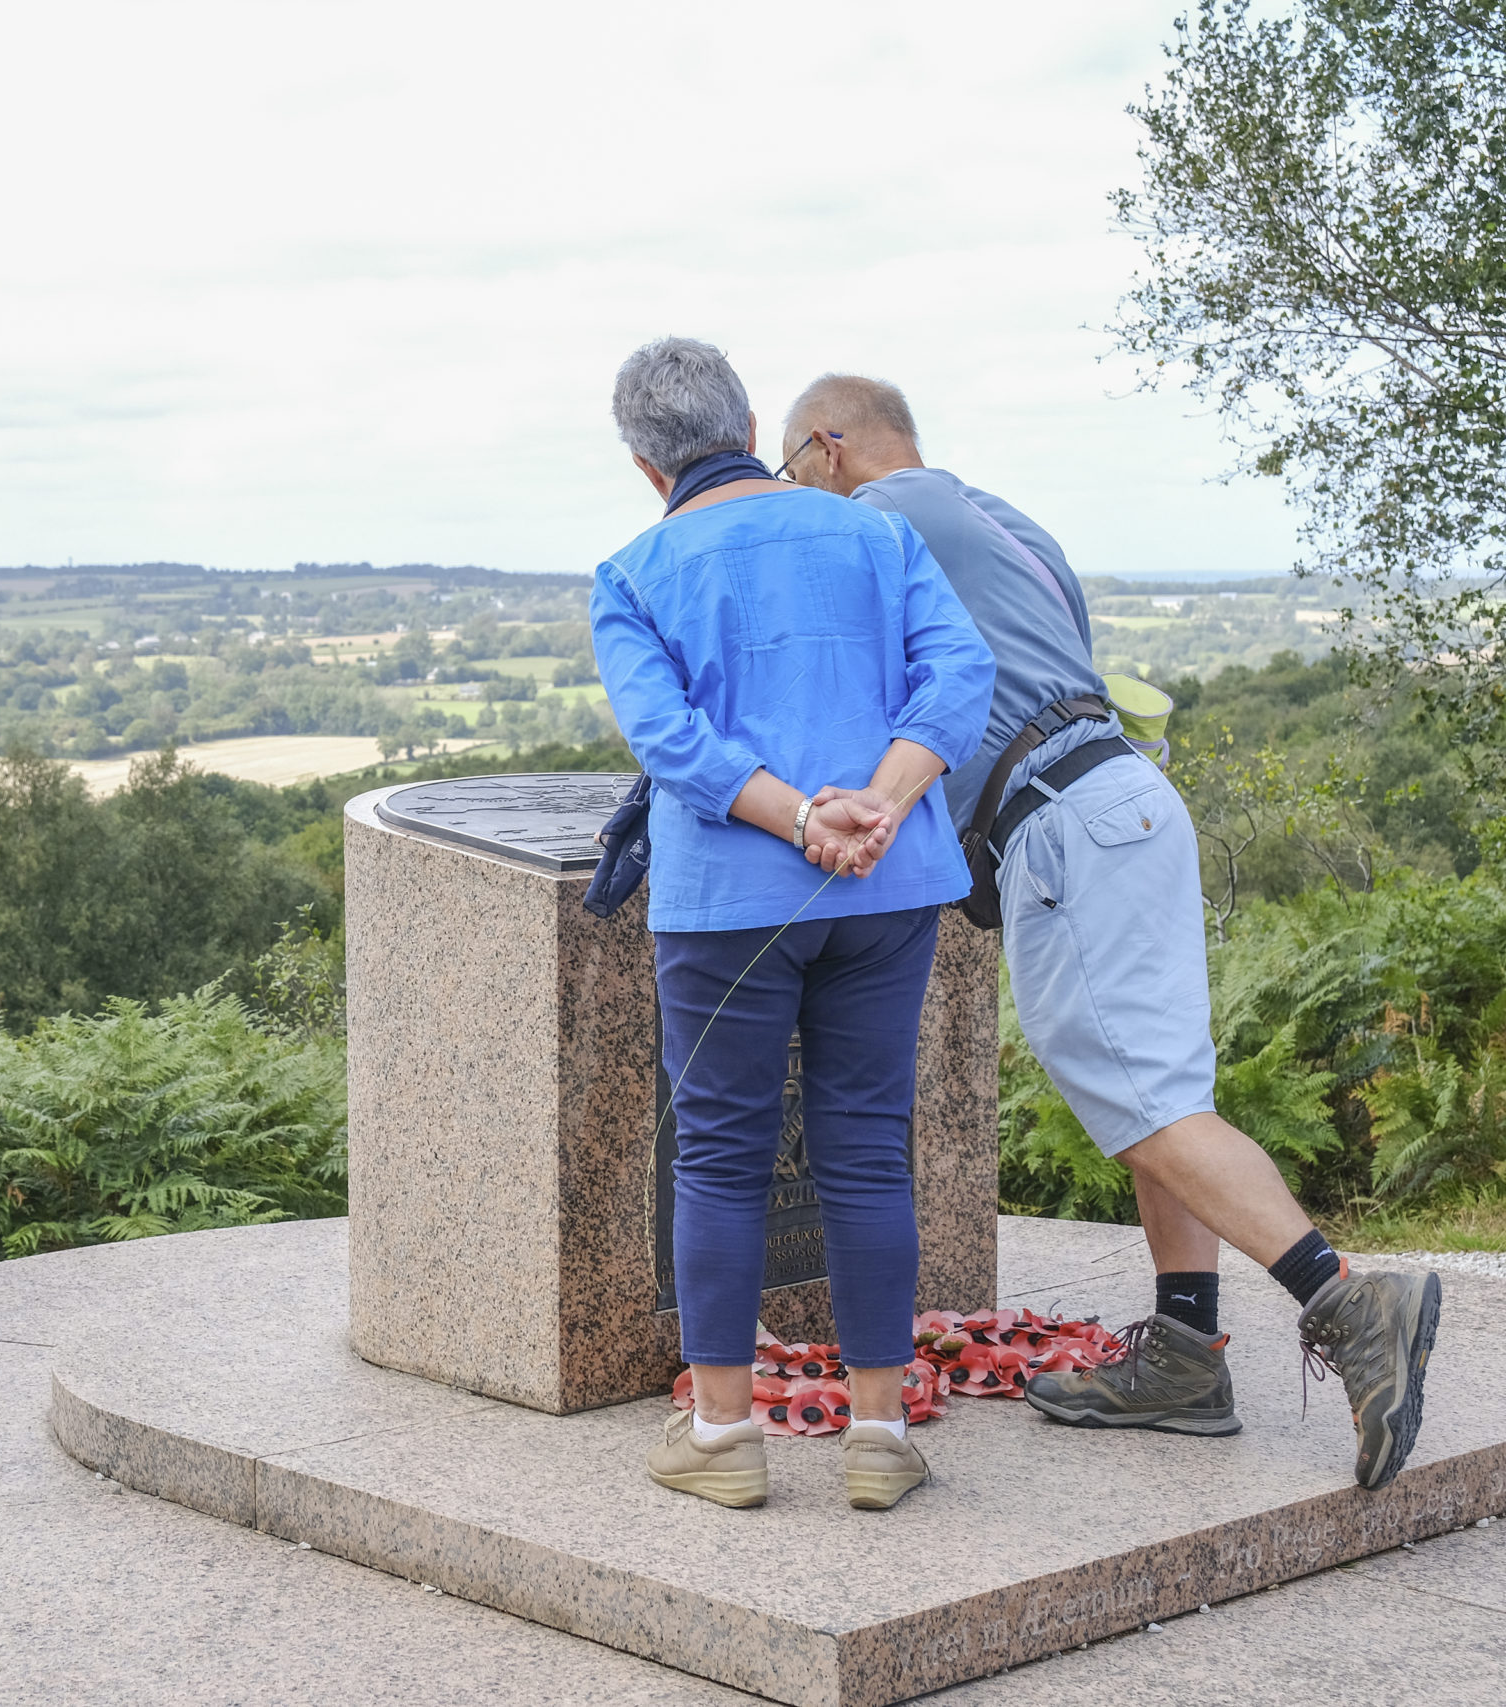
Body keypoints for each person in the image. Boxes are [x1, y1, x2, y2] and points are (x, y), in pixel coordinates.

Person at [780, 373, 1442, 1492]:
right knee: (1161, 1094)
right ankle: (1184, 1353)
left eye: (795, 466)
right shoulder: (1010, 525)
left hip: (1062, 827)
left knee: (1147, 1106)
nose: (799, 488)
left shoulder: (880, 516)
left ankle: (1345, 1301)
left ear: (828, 446)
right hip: (1128, 799)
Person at [594, 339, 995, 1511]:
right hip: (888, 884)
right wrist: (879, 801)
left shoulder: (632, 572)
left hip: (728, 903)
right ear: (747, 427)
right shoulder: (875, 535)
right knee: (866, 1148)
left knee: (721, 1156)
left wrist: (798, 816)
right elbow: (957, 674)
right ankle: (878, 1434)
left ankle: (722, 1437)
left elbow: (667, 739)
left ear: (645, 465)